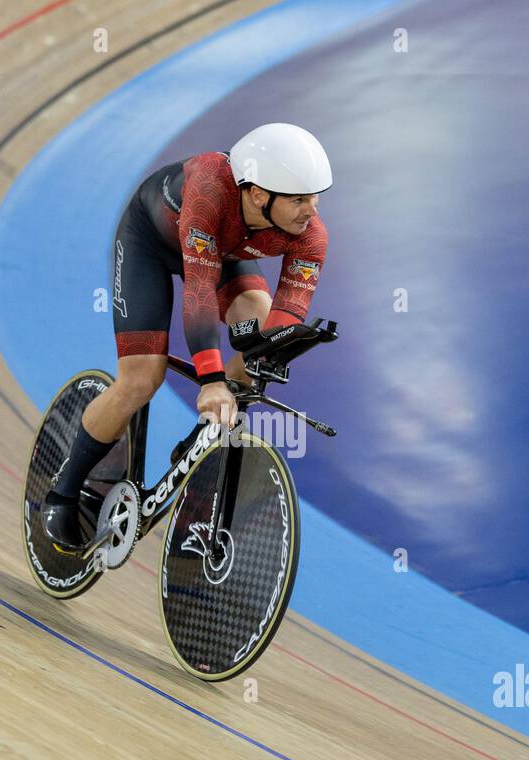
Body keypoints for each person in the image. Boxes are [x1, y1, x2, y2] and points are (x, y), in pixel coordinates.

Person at [41, 122, 332, 552]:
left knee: (264, 340)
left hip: (223, 254)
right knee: (140, 380)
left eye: (315, 197)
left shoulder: (310, 236)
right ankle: (62, 492)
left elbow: (284, 319)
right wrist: (212, 380)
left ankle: (197, 442)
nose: (311, 210)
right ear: (257, 194)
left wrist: (267, 353)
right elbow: (197, 291)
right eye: (299, 199)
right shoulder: (210, 188)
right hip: (151, 246)